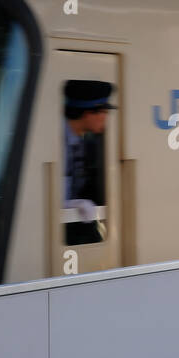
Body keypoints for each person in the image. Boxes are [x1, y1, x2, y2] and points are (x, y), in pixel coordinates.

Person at [63, 80, 115, 246]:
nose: (106, 117)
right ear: (88, 113)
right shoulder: (59, 143)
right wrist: (73, 204)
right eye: (104, 111)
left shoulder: (79, 141)